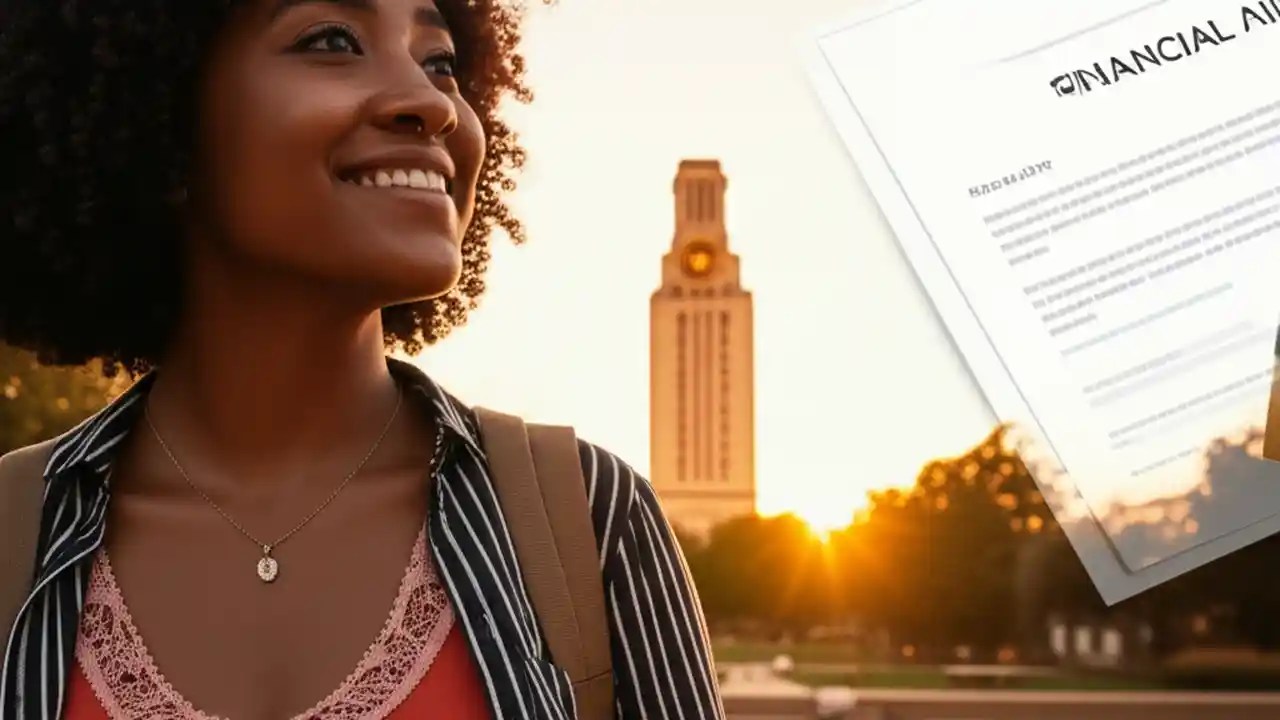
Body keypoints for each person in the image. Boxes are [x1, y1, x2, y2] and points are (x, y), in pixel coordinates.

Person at [0, 1, 725, 718]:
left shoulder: (587, 520)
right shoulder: (11, 532)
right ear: (156, 116)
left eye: (439, 62)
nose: (431, 104)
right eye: (332, 40)